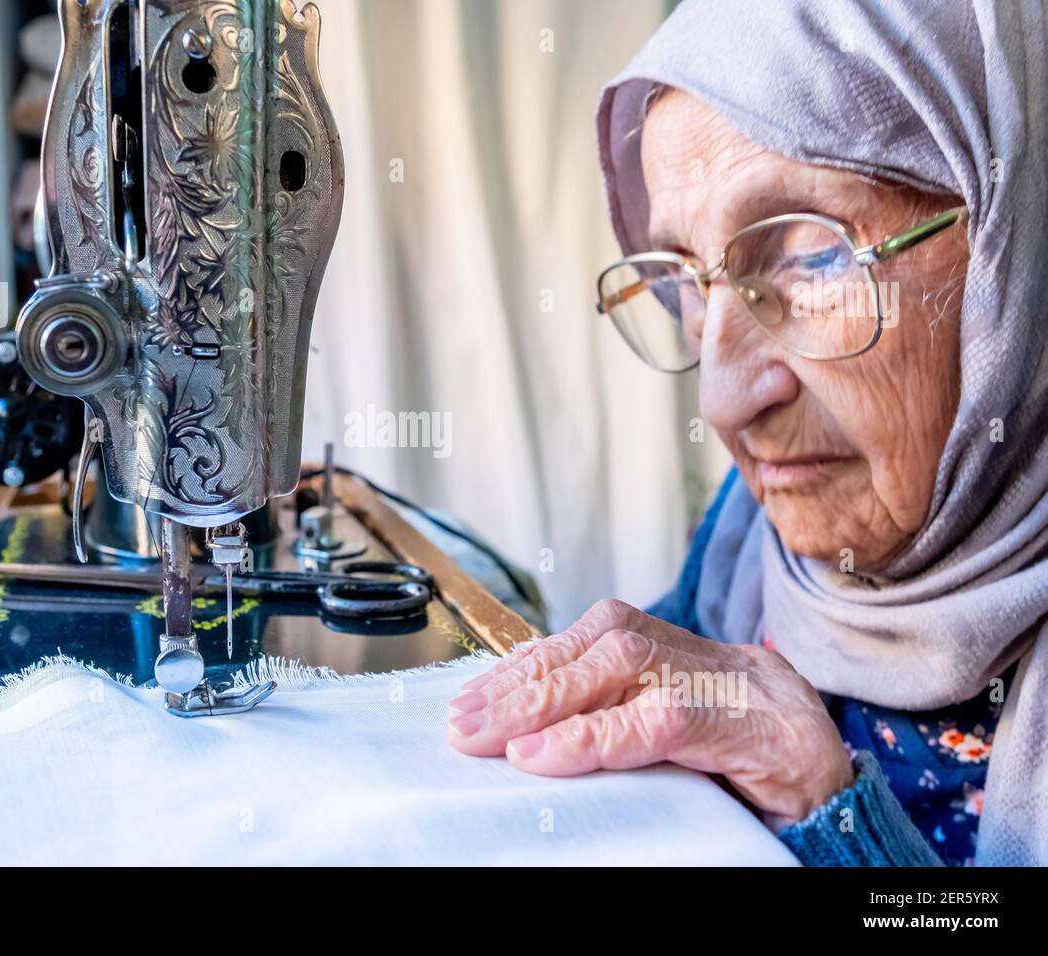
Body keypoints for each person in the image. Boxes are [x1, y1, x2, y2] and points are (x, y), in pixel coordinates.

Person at [447, 0, 1048, 866]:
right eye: (688, 278)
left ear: (1011, 241)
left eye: (811, 255)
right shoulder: (751, 528)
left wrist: (824, 805)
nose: (724, 402)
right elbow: (667, 682)